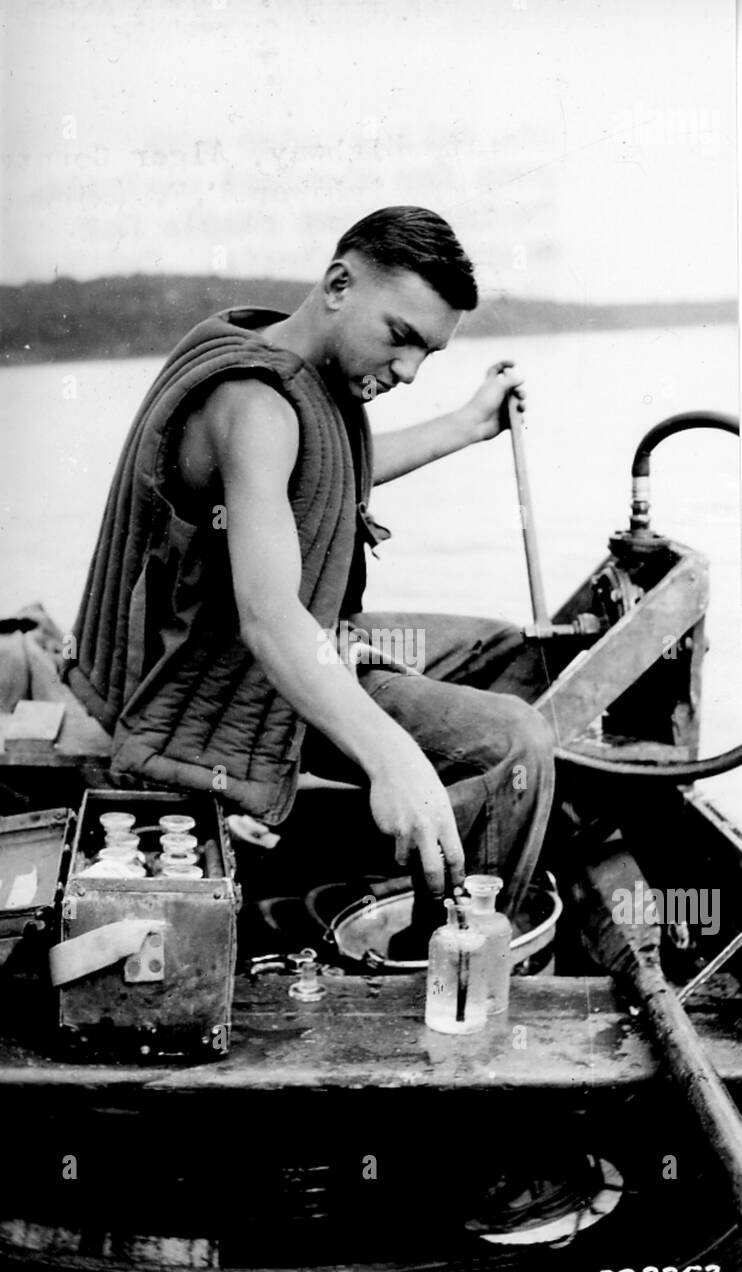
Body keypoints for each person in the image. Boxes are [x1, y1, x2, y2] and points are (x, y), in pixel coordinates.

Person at [66, 206, 554, 914]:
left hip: (305, 641)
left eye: (430, 354)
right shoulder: (255, 405)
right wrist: (390, 755)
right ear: (337, 285)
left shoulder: (293, 366)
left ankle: (409, 865)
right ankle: (449, 943)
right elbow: (268, 618)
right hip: (222, 681)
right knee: (519, 740)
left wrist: (467, 425)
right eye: (401, 337)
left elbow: (324, 477)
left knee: (506, 648)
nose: (411, 371)